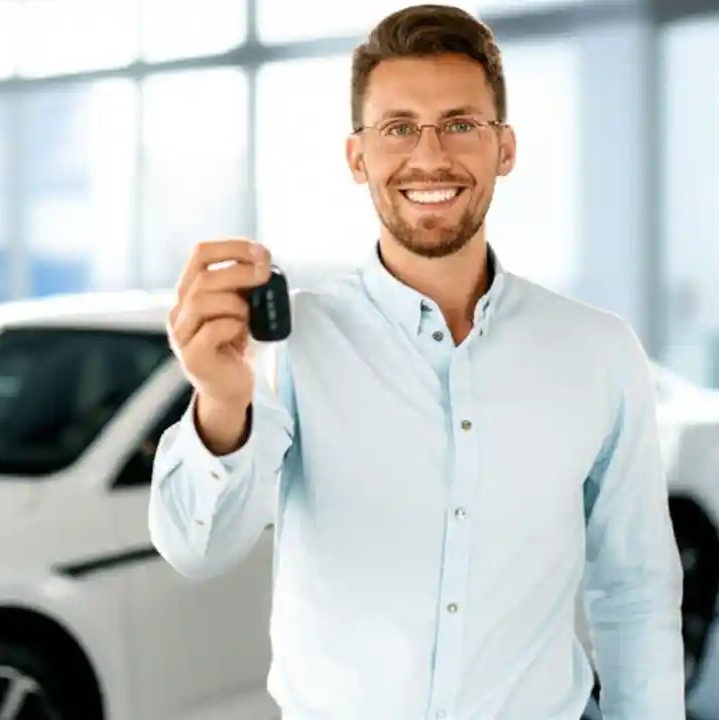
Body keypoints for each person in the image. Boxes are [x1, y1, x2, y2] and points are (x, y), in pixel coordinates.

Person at [148, 4, 685, 719]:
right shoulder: (288, 346)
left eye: (461, 124)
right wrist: (219, 402)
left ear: (505, 149)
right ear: (357, 156)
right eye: (398, 127)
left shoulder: (598, 350)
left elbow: (637, 587)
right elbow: (197, 549)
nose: (429, 156)